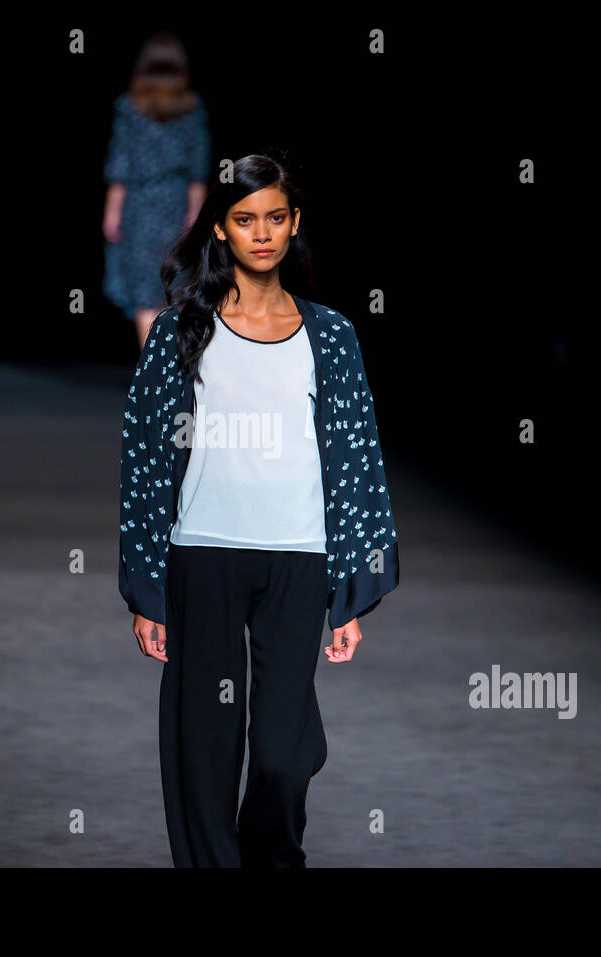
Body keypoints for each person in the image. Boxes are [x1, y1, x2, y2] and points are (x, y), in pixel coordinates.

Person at [118, 152, 400, 866]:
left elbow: (358, 457)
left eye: (276, 217)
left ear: (294, 224)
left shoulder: (330, 336)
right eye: (246, 220)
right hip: (204, 553)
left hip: (298, 557)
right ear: (220, 228)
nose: (263, 233)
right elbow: (146, 464)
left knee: (282, 753)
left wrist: (353, 592)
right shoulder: (182, 332)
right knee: (205, 752)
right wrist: (146, 587)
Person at [102, 31, 211, 351]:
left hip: (139, 205)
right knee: (173, 291)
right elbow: (197, 171)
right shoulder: (191, 106)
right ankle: (166, 370)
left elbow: (120, 164)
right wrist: (195, 213)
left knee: (145, 294)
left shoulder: (129, 106)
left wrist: (112, 211)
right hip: (175, 204)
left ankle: (154, 368)